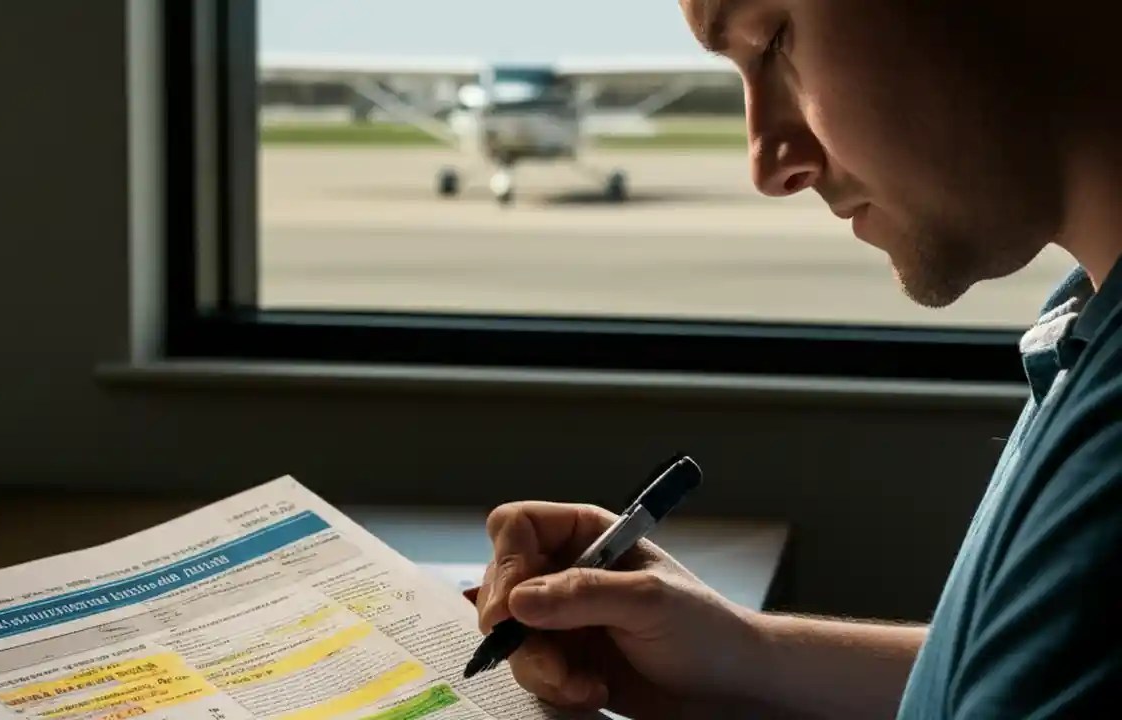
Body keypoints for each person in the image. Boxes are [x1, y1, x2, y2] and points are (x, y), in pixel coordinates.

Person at [469, 2, 1122, 718]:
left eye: (774, 37)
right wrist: (745, 657)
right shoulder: (1086, 328)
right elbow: (1001, 680)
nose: (769, 163)